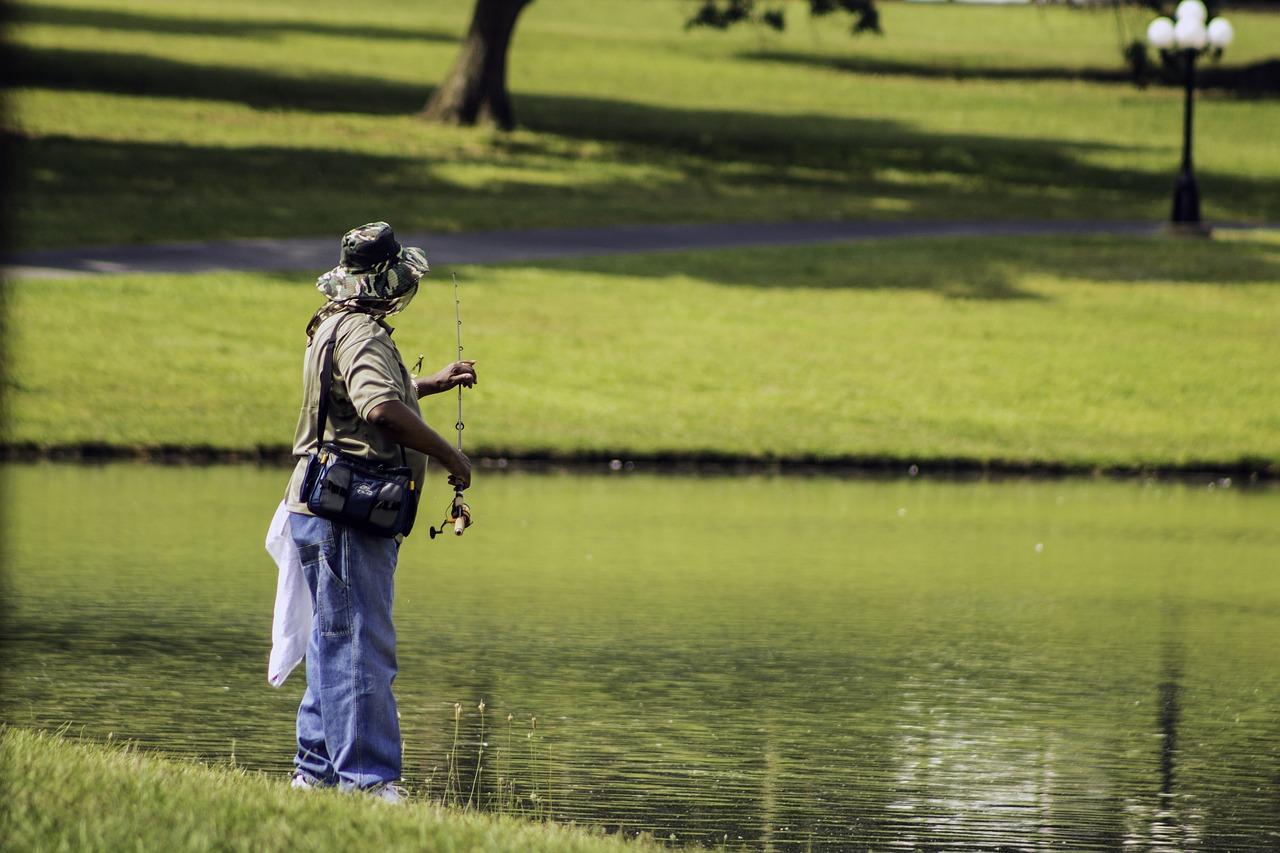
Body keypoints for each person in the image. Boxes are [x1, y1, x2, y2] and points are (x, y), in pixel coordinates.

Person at [282, 222, 475, 801]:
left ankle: (313, 774)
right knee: (362, 642)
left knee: (330, 638)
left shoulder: (333, 324)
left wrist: (428, 384)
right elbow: (378, 409)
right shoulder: (362, 333)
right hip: (348, 511)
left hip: (317, 504)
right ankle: (369, 783)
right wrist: (448, 453)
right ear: (386, 282)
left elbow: (369, 395)